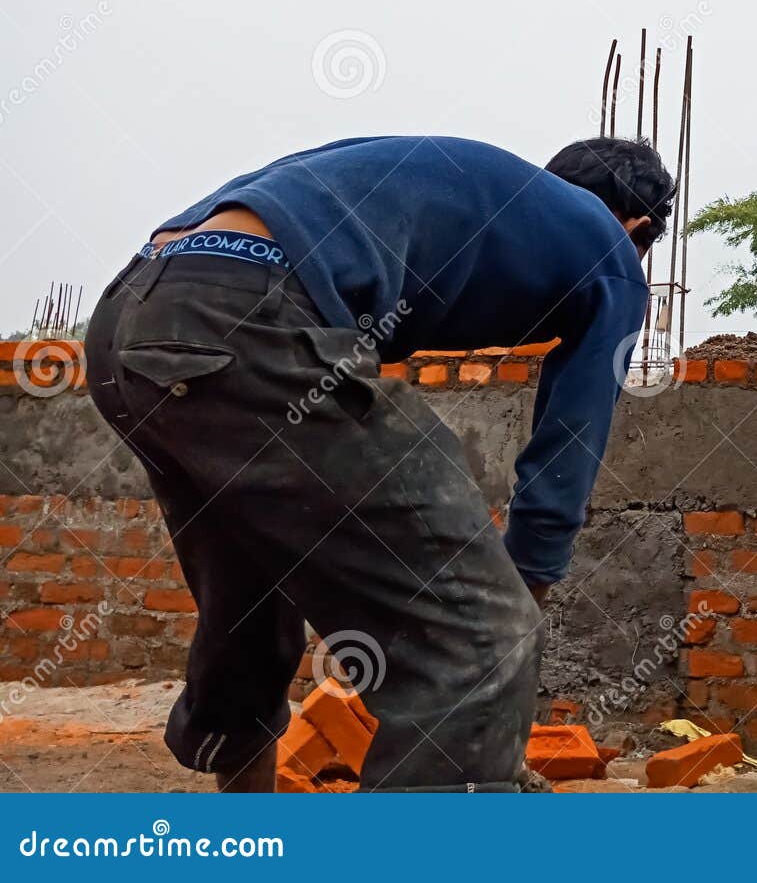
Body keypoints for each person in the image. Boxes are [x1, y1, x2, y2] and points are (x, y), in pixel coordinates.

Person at [84, 135, 673, 792]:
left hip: (130, 318)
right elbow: (569, 444)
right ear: (640, 227)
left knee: (246, 594)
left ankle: (245, 827)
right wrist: (510, 614)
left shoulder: (494, 196)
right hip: (248, 315)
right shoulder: (612, 250)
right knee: (475, 632)